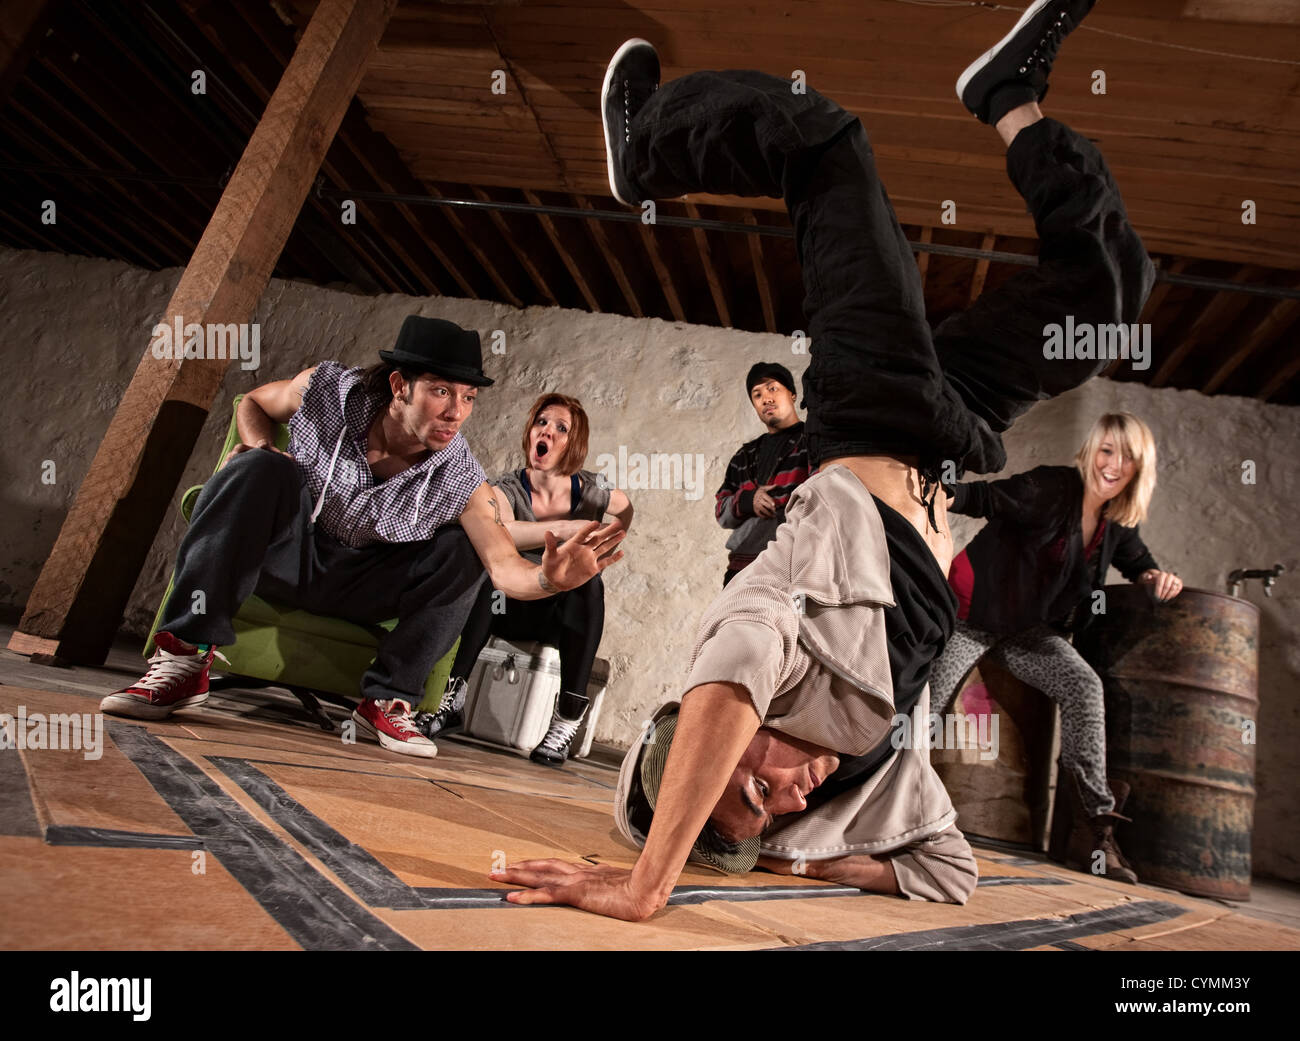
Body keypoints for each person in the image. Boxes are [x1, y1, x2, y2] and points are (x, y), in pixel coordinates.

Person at [492, 0, 1155, 919]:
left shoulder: (763, 644)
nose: (795, 796)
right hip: (951, 427)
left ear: (707, 743)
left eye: (754, 786)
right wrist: (782, 859)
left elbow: (728, 680)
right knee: (1108, 299)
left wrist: (649, 886)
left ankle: (645, 145)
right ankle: (1011, 100)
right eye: (775, 814)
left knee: (825, 145)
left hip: (873, 407)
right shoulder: (852, 784)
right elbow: (947, 871)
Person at [101, 316, 625, 759]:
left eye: (467, 398)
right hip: (288, 557)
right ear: (400, 386)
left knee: (462, 545)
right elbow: (253, 402)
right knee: (264, 470)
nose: (456, 412)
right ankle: (186, 657)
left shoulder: (462, 474)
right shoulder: (327, 390)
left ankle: (390, 700)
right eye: (441, 391)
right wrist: (262, 446)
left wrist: (549, 579)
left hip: (366, 587)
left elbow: (502, 567)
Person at [931, 412, 1181, 883]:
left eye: (1126, 456)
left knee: (1084, 685)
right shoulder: (1051, 487)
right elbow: (983, 497)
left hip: (1026, 629)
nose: (1113, 464)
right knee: (926, 710)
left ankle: (1095, 831)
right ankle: (881, 809)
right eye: (1107, 450)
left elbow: (1138, 563)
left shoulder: (1115, 522)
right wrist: (939, 488)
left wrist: (1154, 577)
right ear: (1091, 452)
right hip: (969, 614)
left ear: (1138, 468)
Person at [417, 393, 634, 766]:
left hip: (553, 617)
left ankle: (567, 716)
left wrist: (602, 545)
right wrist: (564, 527)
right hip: (506, 605)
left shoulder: (594, 491)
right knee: (486, 573)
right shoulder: (506, 488)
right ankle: (451, 700)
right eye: (541, 422)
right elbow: (502, 531)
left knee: (590, 582)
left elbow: (625, 508)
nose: (546, 430)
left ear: (573, 442)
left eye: (560, 427)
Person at [715, 363, 811, 586]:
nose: (765, 398)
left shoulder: (813, 441)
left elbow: (822, 498)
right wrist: (748, 500)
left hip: (794, 565)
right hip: (741, 568)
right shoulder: (744, 456)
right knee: (733, 620)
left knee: (794, 620)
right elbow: (721, 512)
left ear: (793, 394)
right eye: (757, 395)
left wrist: (779, 504)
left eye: (772, 388)